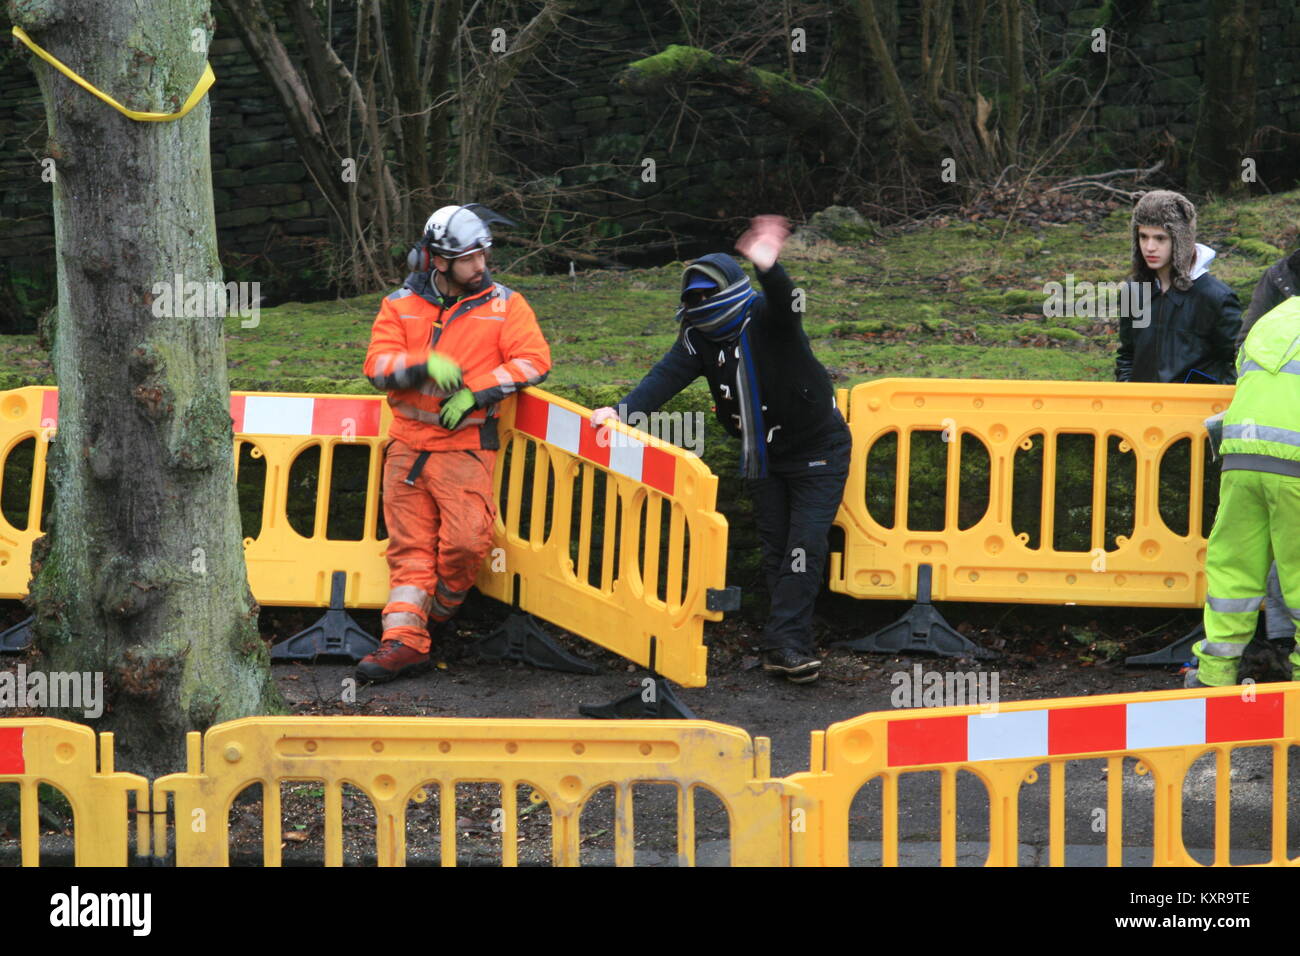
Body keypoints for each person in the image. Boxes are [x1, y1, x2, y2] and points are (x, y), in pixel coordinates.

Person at [591, 215, 851, 684]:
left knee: (804, 546)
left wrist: (770, 267)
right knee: (776, 549)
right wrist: (621, 411)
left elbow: (787, 304)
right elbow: (666, 376)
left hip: (817, 448)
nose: (701, 309)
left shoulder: (766, 319)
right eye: (692, 303)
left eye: (708, 299)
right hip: (761, 453)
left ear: (733, 291)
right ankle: (782, 644)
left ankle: (788, 644)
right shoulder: (698, 338)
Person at [358, 204, 551, 682]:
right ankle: (402, 643)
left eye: (483, 254)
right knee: (410, 552)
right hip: (406, 449)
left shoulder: (507, 305)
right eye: (469, 258)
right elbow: (376, 368)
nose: (481, 265)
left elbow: (534, 361)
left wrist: (477, 392)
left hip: (465, 448)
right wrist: (422, 363)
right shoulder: (399, 305)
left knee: (466, 545)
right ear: (438, 261)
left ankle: (430, 619)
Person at [1186, 295, 1300, 688]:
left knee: (1235, 569)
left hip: (1241, 454)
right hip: (1296, 462)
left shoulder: (1273, 319)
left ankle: (1213, 678)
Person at [1115, 190, 1241, 385]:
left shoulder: (1216, 297)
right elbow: (1127, 355)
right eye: (1143, 236)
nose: (1149, 247)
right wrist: (1128, 391)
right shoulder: (1132, 291)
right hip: (1142, 407)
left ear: (1180, 240)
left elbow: (1234, 362)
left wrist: (1210, 403)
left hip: (1194, 410)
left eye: (1160, 238)